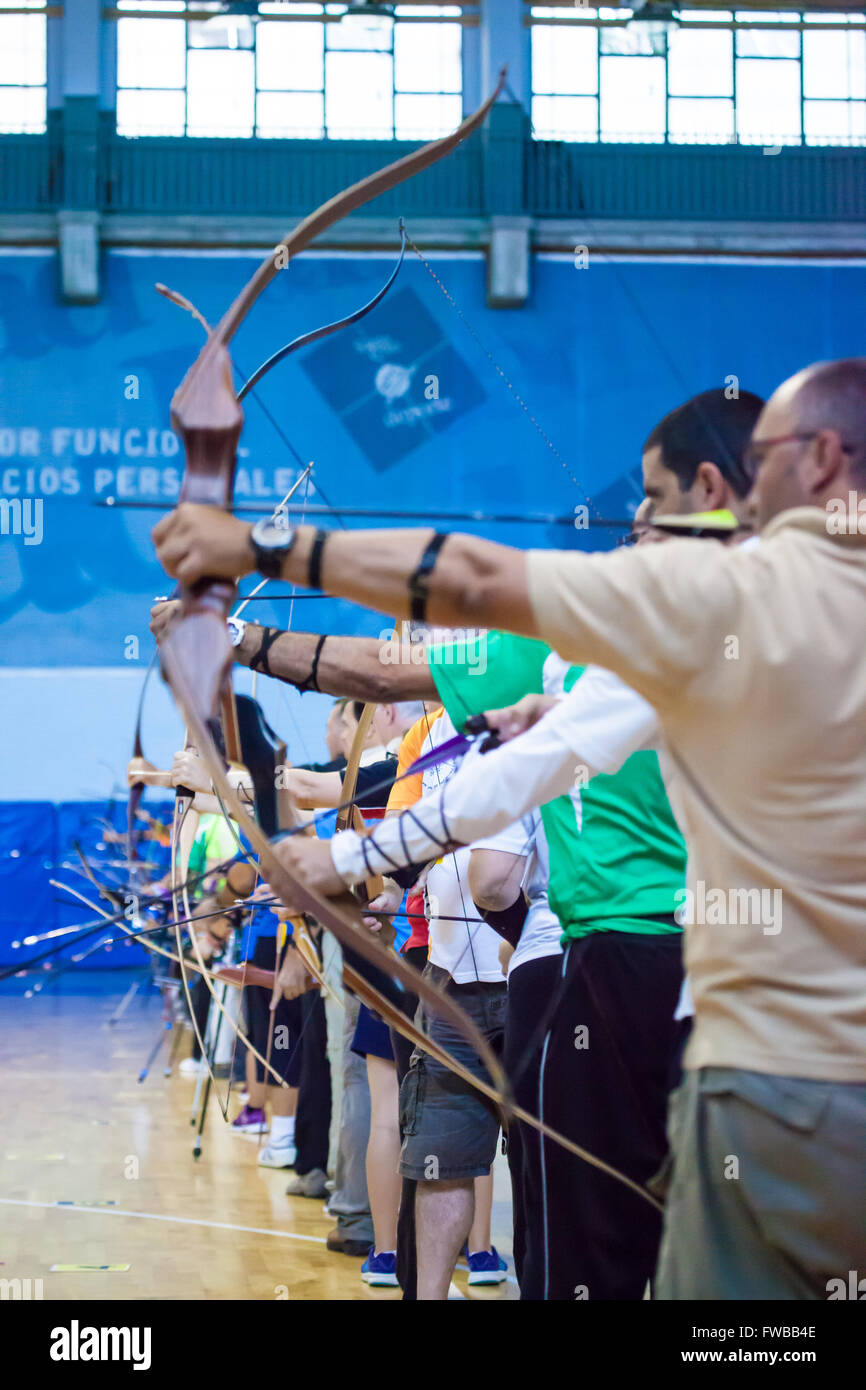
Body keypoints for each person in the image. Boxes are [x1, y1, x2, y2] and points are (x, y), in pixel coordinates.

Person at [154, 359, 866, 1298]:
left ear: (811, 460)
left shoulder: (718, 593)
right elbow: (563, 736)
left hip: (763, 1060)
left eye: (653, 508)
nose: (637, 538)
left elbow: (480, 592)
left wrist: (255, 548)